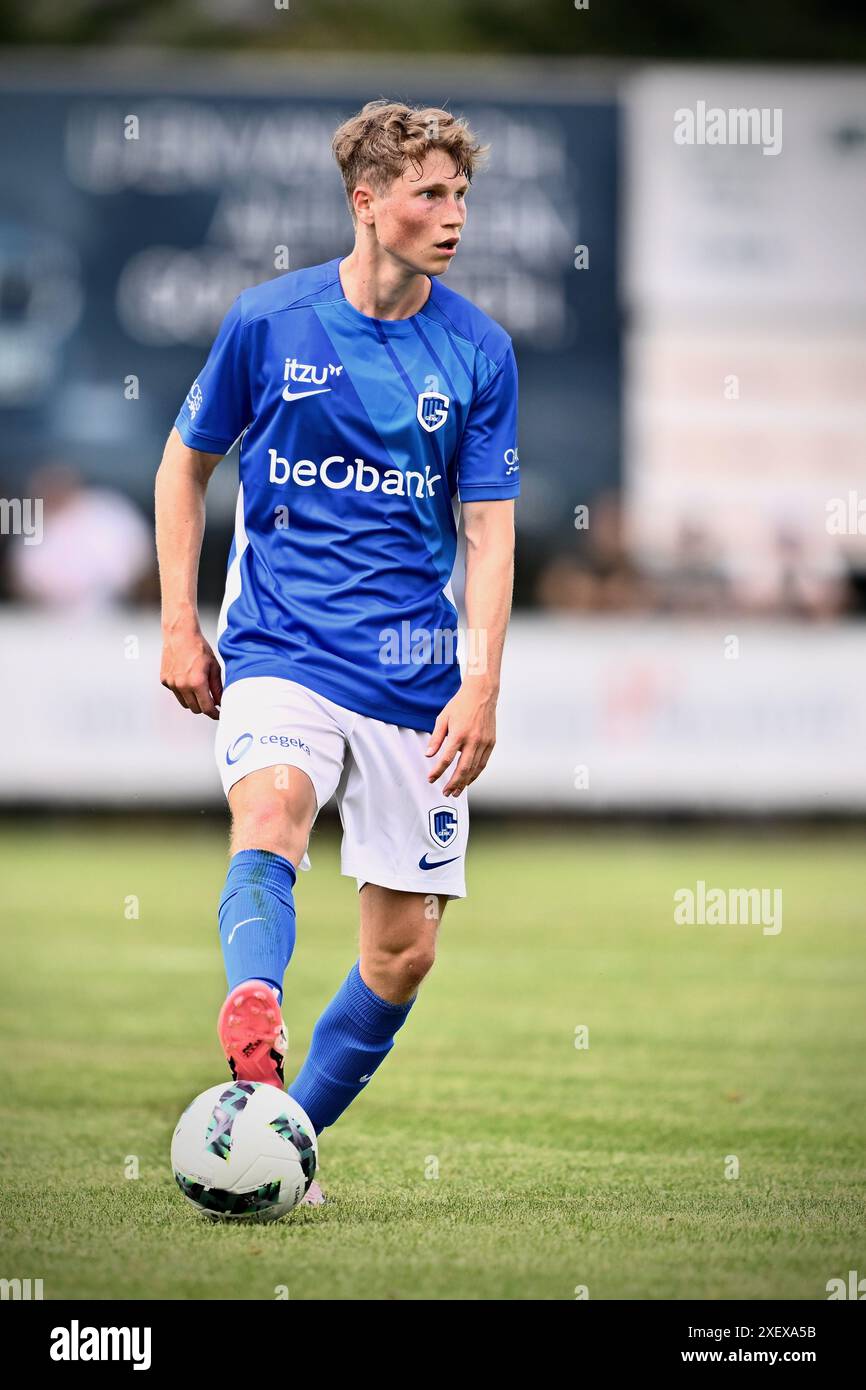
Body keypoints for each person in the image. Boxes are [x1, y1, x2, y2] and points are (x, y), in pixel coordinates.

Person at [155, 100, 519, 1204]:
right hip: (281, 646)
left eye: (459, 195)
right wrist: (178, 620)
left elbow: (487, 527)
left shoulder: (476, 349)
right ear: (365, 203)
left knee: (400, 956)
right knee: (267, 813)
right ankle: (252, 1010)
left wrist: (481, 680)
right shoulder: (268, 321)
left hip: (412, 675)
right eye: (428, 194)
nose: (452, 215)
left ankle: (273, 1141)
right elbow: (184, 468)